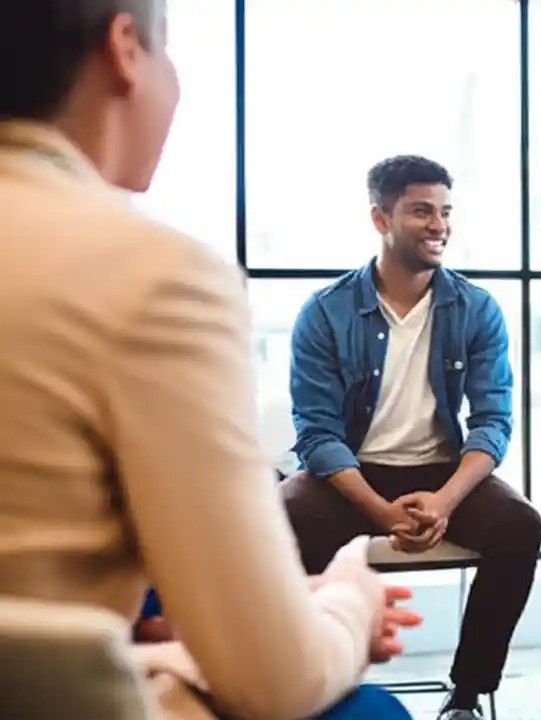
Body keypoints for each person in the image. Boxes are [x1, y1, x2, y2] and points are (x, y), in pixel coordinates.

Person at [0, 2, 417, 719]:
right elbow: (275, 683)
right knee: (370, 713)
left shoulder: (473, 308)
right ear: (124, 49)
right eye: (169, 53)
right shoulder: (150, 274)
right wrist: (351, 594)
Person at [282, 154, 541, 720]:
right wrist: (381, 512)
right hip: (351, 473)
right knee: (283, 515)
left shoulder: (475, 309)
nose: (439, 225)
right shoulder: (326, 312)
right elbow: (317, 432)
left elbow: (493, 422)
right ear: (381, 219)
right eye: (421, 211)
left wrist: (446, 501)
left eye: (446, 212)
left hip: (443, 474)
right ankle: (310, 681)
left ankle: (468, 695)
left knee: (520, 526)